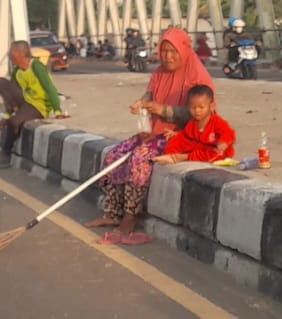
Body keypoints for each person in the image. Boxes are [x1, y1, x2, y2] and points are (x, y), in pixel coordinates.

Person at [87, 27, 214, 245]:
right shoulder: (159, 72)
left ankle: (130, 217)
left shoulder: (197, 76)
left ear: (184, 50)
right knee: (114, 155)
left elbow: (197, 113)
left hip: (182, 135)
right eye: (164, 51)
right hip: (157, 132)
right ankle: (113, 212)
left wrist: (162, 110)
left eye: (173, 52)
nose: (168, 57)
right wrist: (142, 102)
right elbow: (151, 94)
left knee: (139, 158)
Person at [0, 40, 66, 168]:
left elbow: (49, 87)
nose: (11, 58)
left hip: (38, 105)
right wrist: (7, 114)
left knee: (14, 122)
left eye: (12, 54)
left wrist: (57, 110)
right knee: (1, 82)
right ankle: (14, 111)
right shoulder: (17, 71)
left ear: (21, 54)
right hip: (25, 102)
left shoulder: (36, 66)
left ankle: (6, 151)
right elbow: (10, 94)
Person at [154, 84, 235, 164]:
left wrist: (223, 142)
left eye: (201, 107)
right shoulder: (193, 122)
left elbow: (228, 133)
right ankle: (171, 156)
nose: (197, 111)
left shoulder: (217, 121)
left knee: (217, 153)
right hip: (197, 147)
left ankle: (185, 157)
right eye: (193, 107)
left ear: (212, 106)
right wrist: (176, 134)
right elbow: (186, 135)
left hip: (213, 148)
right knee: (175, 140)